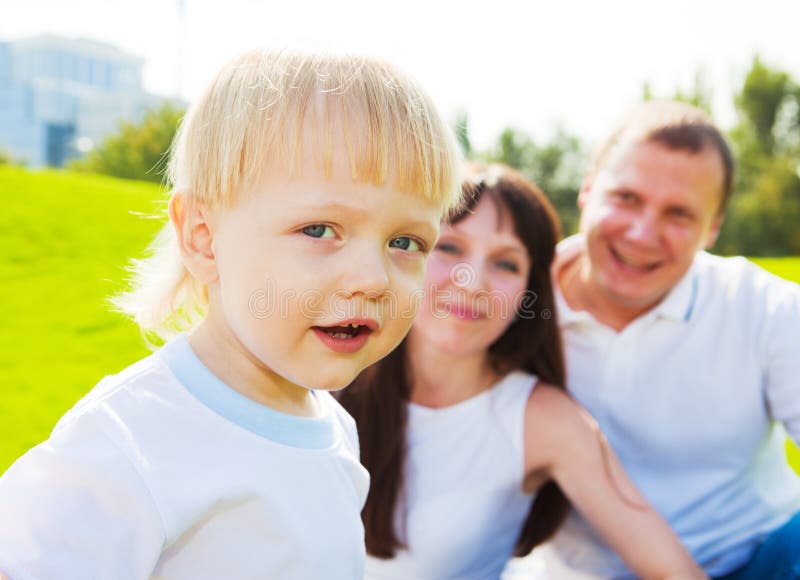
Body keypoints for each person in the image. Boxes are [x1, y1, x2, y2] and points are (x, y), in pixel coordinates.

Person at [0, 49, 463, 579]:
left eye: (406, 241)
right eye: (318, 230)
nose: (374, 278)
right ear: (204, 237)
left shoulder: (333, 427)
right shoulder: (130, 442)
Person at [338, 163, 705, 580]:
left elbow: (677, 572)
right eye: (451, 248)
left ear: (529, 294)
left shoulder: (545, 421)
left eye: (506, 264)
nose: (473, 283)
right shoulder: (326, 379)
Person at [540, 101, 800, 579]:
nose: (642, 234)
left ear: (713, 228)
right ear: (588, 189)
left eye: (678, 213)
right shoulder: (511, 309)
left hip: (760, 558)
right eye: (626, 198)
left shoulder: (765, 308)